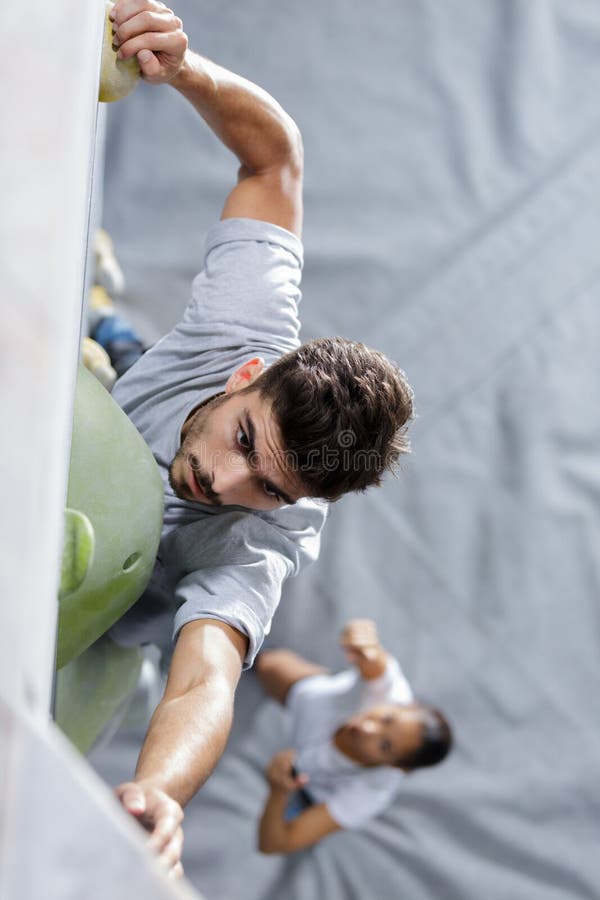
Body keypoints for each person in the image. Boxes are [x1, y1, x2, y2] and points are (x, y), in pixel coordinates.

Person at [105, 0, 414, 875]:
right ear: (249, 376)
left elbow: (205, 677)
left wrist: (161, 792)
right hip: (124, 401)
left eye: (271, 489)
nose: (227, 485)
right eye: (245, 442)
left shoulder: (257, 542)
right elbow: (276, 156)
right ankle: (104, 313)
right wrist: (186, 66)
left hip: (102, 605)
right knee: (109, 353)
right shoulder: (248, 322)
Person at [256, 619, 452, 853]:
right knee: (269, 664)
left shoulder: (371, 792)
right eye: (387, 718)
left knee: (290, 828)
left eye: (385, 745)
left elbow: (271, 845)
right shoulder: (392, 691)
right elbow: (374, 660)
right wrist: (362, 642)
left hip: (308, 786)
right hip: (308, 699)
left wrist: (278, 792)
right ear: (403, 704)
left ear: (396, 767)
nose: (368, 729)